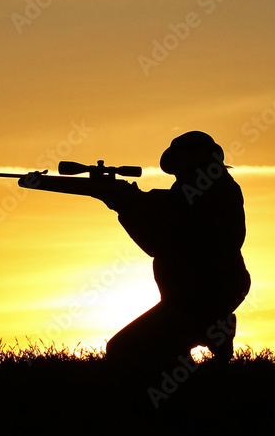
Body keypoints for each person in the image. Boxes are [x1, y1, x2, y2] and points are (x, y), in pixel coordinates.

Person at [98, 131, 251, 370]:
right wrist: (127, 203)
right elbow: (162, 227)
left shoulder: (208, 189)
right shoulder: (203, 189)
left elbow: (158, 241)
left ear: (199, 157)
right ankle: (211, 330)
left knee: (123, 350)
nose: (178, 170)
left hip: (203, 294)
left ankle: (212, 328)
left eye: (182, 161)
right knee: (164, 348)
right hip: (195, 295)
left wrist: (125, 205)